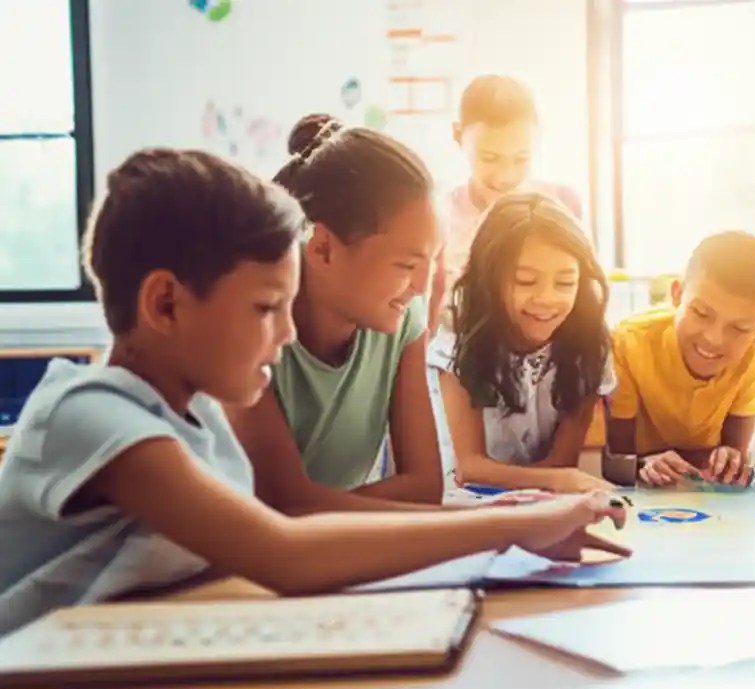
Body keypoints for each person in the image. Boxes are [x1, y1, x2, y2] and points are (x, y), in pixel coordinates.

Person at [0, 149, 628, 636]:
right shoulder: (91, 413)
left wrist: (495, 519)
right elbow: (282, 549)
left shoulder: (200, 421)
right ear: (165, 304)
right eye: (266, 308)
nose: (286, 333)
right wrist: (510, 526)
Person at [227, 114, 445, 511]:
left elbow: (426, 487)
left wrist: (320, 505)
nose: (421, 287)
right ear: (323, 248)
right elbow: (285, 505)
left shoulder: (402, 321)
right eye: (407, 265)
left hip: (331, 543)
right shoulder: (249, 326)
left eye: (432, 262)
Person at [431, 192, 615, 493]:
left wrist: (555, 480)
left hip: (540, 500)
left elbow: (562, 462)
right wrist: (557, 480)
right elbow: (470, 467)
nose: (546, 299)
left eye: (565, 283)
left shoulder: (589, 342)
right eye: (526, 281)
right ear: (489, 280)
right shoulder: (459, 336)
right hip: (464, 501)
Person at [604, 232, 755, 487]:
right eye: (701, 313)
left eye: (739, 328)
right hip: (643, 488)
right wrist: (643, 464)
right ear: (677, 294)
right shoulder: (629, 341)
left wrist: (729, 459)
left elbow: (735, 453)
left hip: (704, 491)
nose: (714, 339)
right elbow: (618, 458)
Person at [428, 75, 582, 331]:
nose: (505, 176)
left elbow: (584, 296)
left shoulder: (563, 203)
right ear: (458, 135)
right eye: (489, 158)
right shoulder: (440, 216)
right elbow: (431, 313)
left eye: (521, 159)